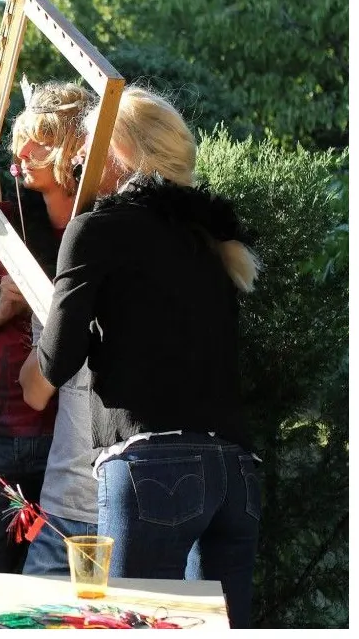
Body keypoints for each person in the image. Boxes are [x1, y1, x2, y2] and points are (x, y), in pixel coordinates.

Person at [20, 87, 262, 628]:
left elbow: (55, 366)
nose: (77, 160)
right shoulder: (210, 238)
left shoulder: (99, 227)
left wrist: (27, 370)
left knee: (129, 627)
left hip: (153, 467)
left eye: (86, 147)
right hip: (235, 473)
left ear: (117, 152)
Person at [0, 81, 94, 573]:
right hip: (3, 437)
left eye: (42, 140)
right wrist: (1, 310)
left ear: (78, 147)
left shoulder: (105, 227)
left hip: (80, 450)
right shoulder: (8, 224)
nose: (25, 152)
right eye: (21, 139)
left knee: (68, 603)